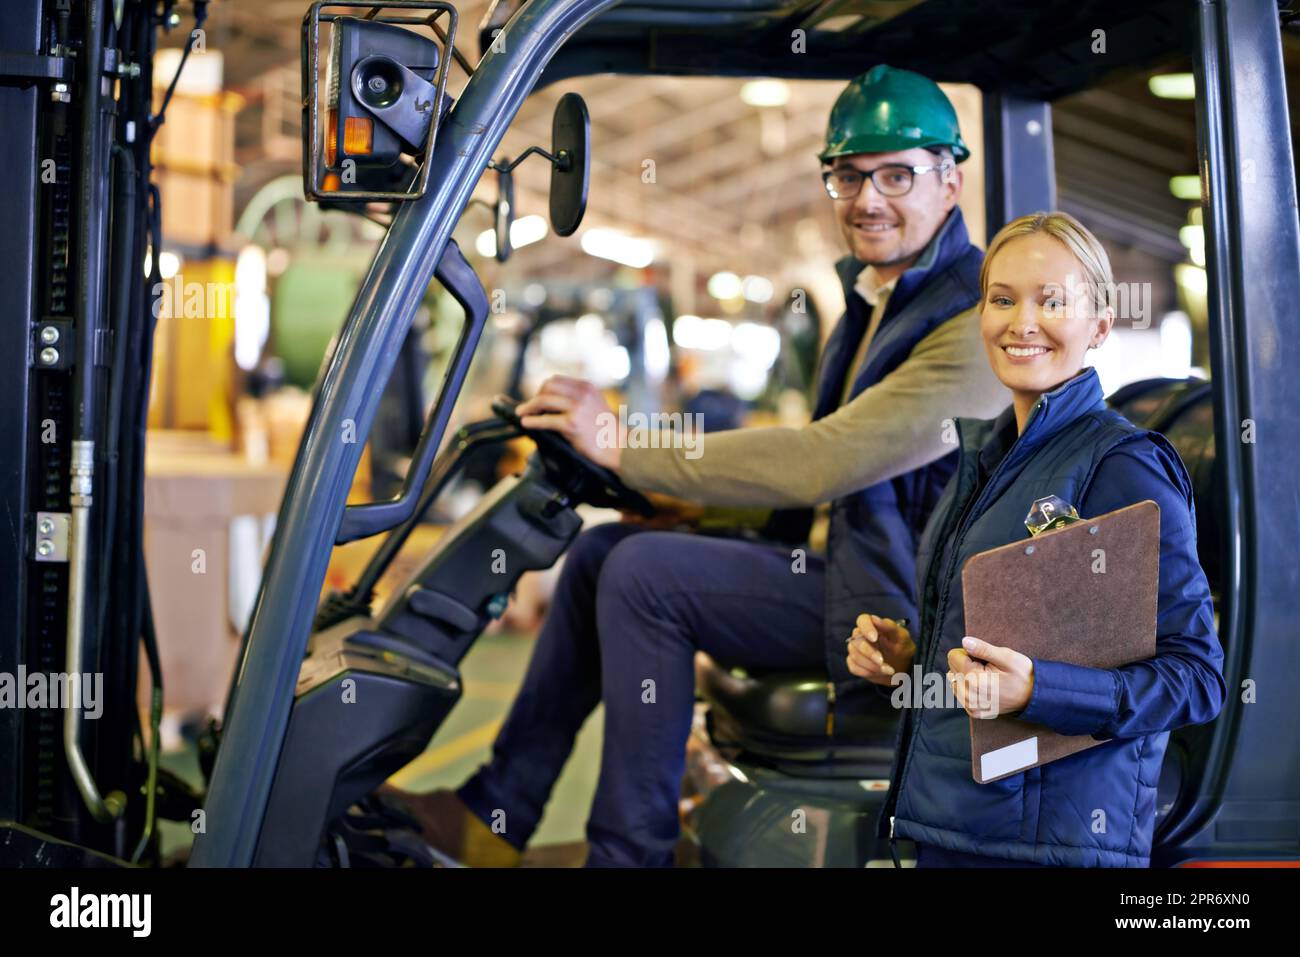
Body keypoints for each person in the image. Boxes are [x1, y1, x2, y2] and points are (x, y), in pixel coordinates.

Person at [384, 65, 1009, 867]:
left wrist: (624, 445)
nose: (867, 198)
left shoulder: (971, 322)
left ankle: (628, 854)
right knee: (602, 554)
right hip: (850, 567)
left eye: (897, 175)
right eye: (848, 176)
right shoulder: (879, 301)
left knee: (648, 576)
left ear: (949, 181)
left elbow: (825, 461)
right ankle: (493, 812)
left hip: (892, 613)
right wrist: (683, 503)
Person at [846, 211, 1226, 867]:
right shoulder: (985, 461)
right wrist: (912, 664)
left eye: (1052, 300)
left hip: (1045, 848)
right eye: (1002, 299)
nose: (1022, 321)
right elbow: (1001, 651)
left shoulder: (1120, 465)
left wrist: (1036, 692)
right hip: (958, 825)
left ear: (1100, 325)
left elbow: (1195, 678)